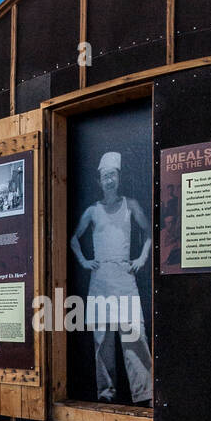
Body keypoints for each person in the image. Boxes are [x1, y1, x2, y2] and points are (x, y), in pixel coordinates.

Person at [70, 150, 153, 403]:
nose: (109, 180)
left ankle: (146, 393)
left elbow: (149, 233)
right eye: (105, 176)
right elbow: (73, 238)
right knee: (102, 338)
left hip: (124, 277)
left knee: (134, 334)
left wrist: (141, 259)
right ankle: (106, 394)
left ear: (118, 177)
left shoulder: (131, 205)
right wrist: (84, 261)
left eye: (113, 175)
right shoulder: (93, 211)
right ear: (100, 180)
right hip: (100, 279)